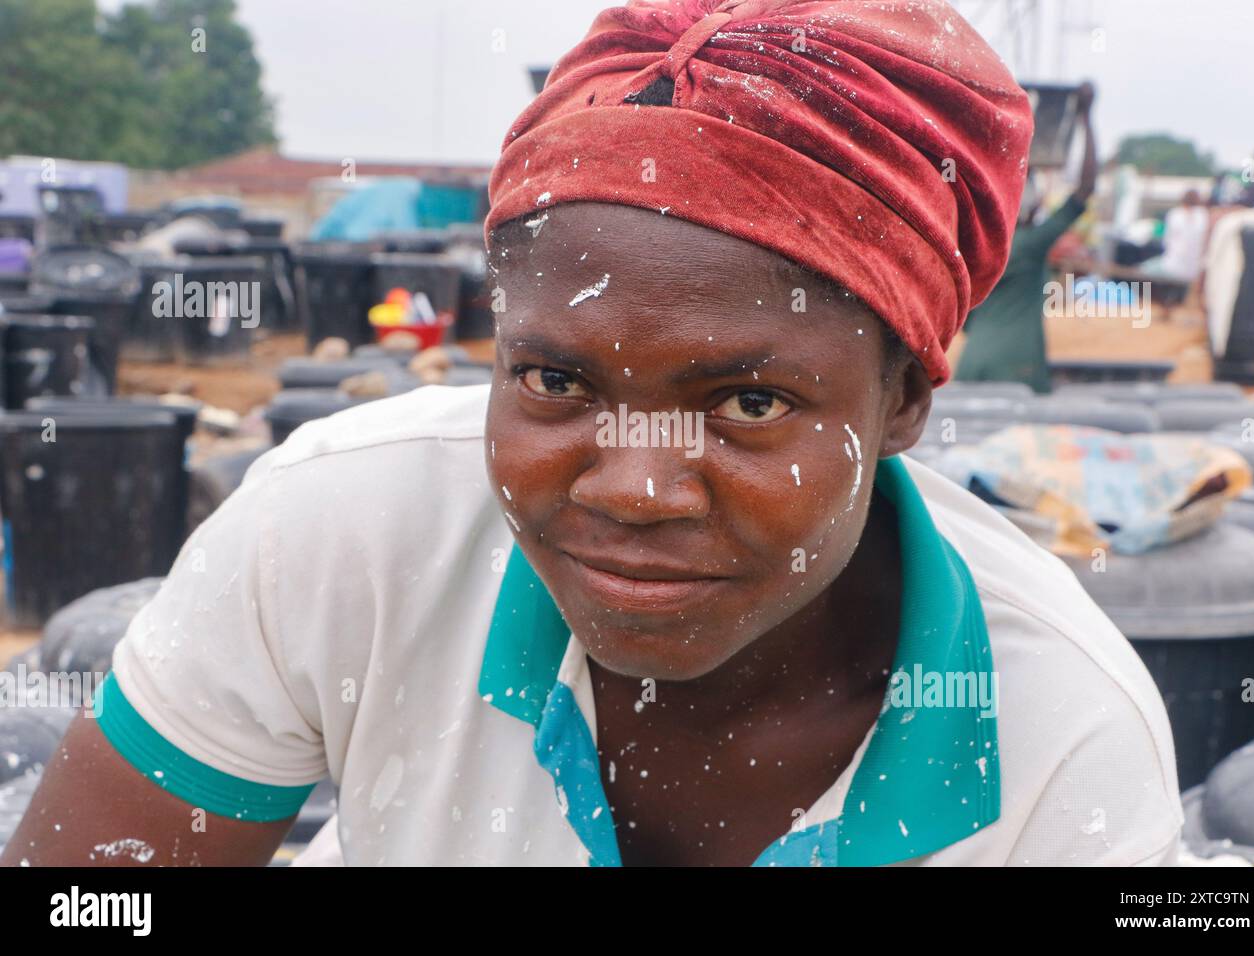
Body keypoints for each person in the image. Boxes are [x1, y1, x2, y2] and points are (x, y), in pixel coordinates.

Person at [1, 0, 1181, 868]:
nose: (635, 487)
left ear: (903, 404)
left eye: (749, 403)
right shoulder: (343, 531)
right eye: (558, 379)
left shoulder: (1055, 738)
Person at [954, 81, 1098, 393]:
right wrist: (1086, 116)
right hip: (1015, 367)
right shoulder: (1029, 244)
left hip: (972, 364)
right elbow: (1085, 189)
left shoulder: (976, 245)